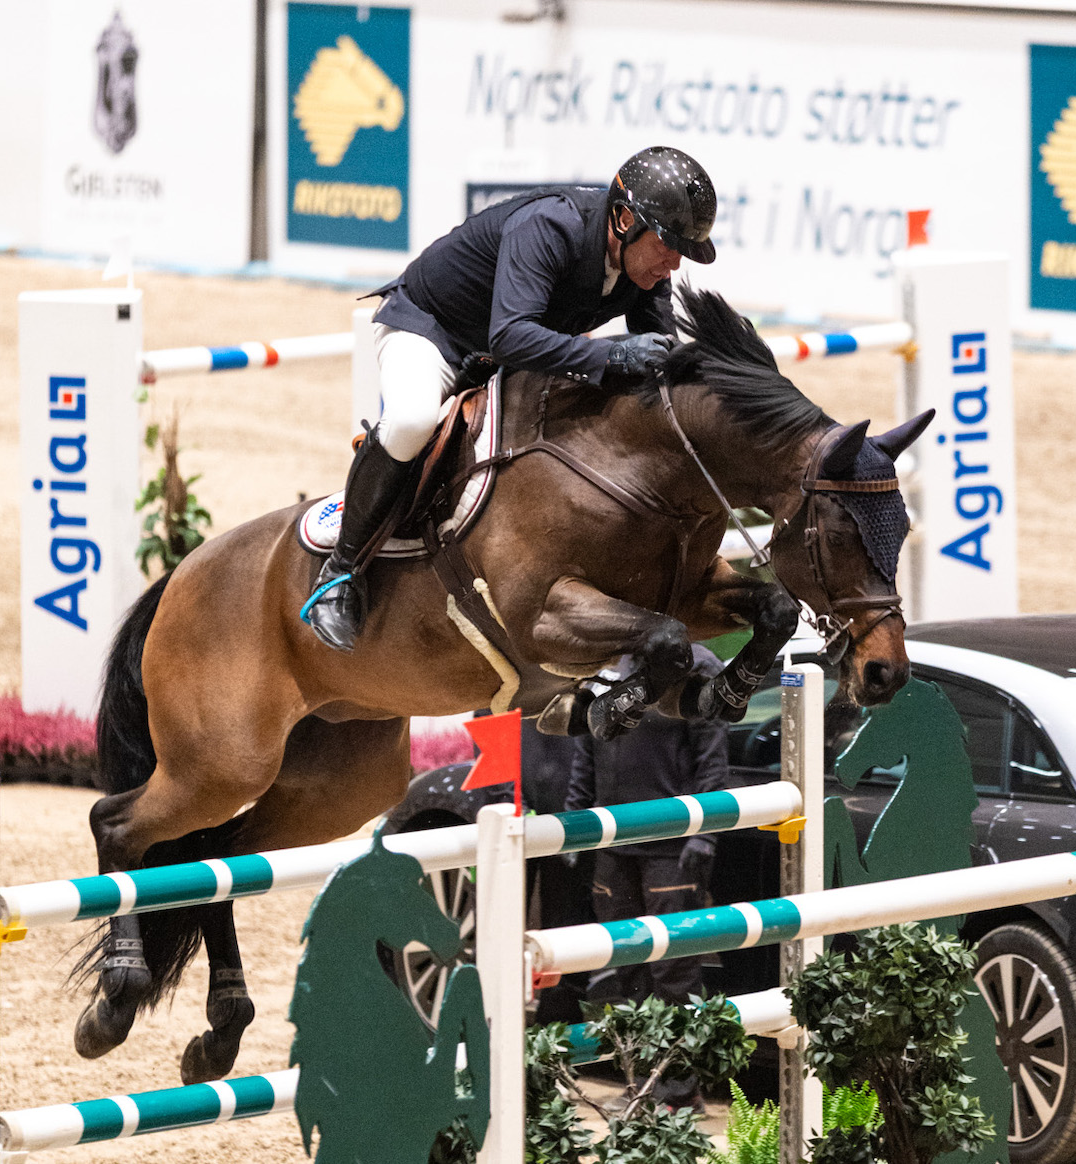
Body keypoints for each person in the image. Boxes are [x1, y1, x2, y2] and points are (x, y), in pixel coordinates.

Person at [302, 145, 719, 651]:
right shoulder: (550, 226)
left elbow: (658, 359)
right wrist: (610, 357)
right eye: (668, 244)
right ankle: (339, 574)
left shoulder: (645, 270)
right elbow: (511, 335)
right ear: (624, 218)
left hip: (504, 359)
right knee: (412, 420)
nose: (674, 262)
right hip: (436, 333)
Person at [565, 644, 730, 1110]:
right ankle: (639, 1087)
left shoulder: (698, 666)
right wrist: (575, 826)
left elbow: (713, 761)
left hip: (673, 849)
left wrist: (705, 837)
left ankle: (678, 1093)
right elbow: (585, 753)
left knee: (674, 972)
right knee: (626, 971)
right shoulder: (602, 668)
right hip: (612, 848)